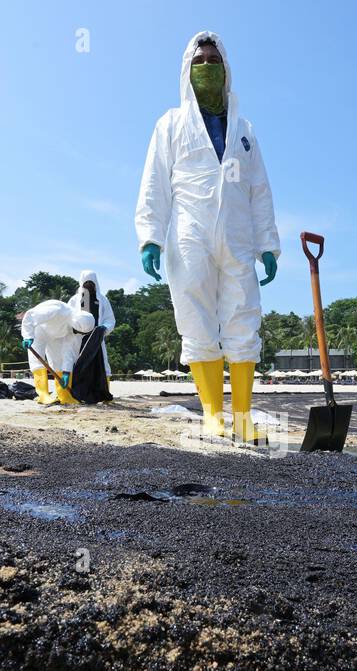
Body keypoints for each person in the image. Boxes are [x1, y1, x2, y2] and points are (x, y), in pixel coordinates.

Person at [135, 31, 279, 443]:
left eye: (213, 61)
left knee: (243, 318)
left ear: (226, 68)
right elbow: (154, 183)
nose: (206, 68)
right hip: (188, 232)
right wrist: (150, 237)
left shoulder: (244, 129)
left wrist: (268, 243)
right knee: (196, 319)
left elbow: (260, 190)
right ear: (187, 69)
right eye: (199, 62)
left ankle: (244, 417)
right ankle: (214, 414)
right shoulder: (171, 124)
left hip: (238, 235)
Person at [21, 299, 94, 405]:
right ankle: (43, 395)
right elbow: (30, 316)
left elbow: (69, 352)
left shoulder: (75, 331)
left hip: (57, 336)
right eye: (76, 331)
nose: (76, 334)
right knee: (37, 362)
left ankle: (64, 395)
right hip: (39, 331)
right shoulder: (57, 310)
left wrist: (66, 373)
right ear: (75, 323)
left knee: (58, 362)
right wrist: (28, 336)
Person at [66, 269, 116, 380]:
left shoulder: (103, 300)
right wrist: (73, 329)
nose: (88, 286)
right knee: (75, 363)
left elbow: (110, 319)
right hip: (78, 339)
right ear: (81, 283)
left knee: (101, 365)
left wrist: (103, 328)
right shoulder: (74, 300)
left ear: (95, 284)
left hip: (96, 339)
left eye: (91, 284)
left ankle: (101, 391)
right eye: (86, 284)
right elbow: (67, 318)